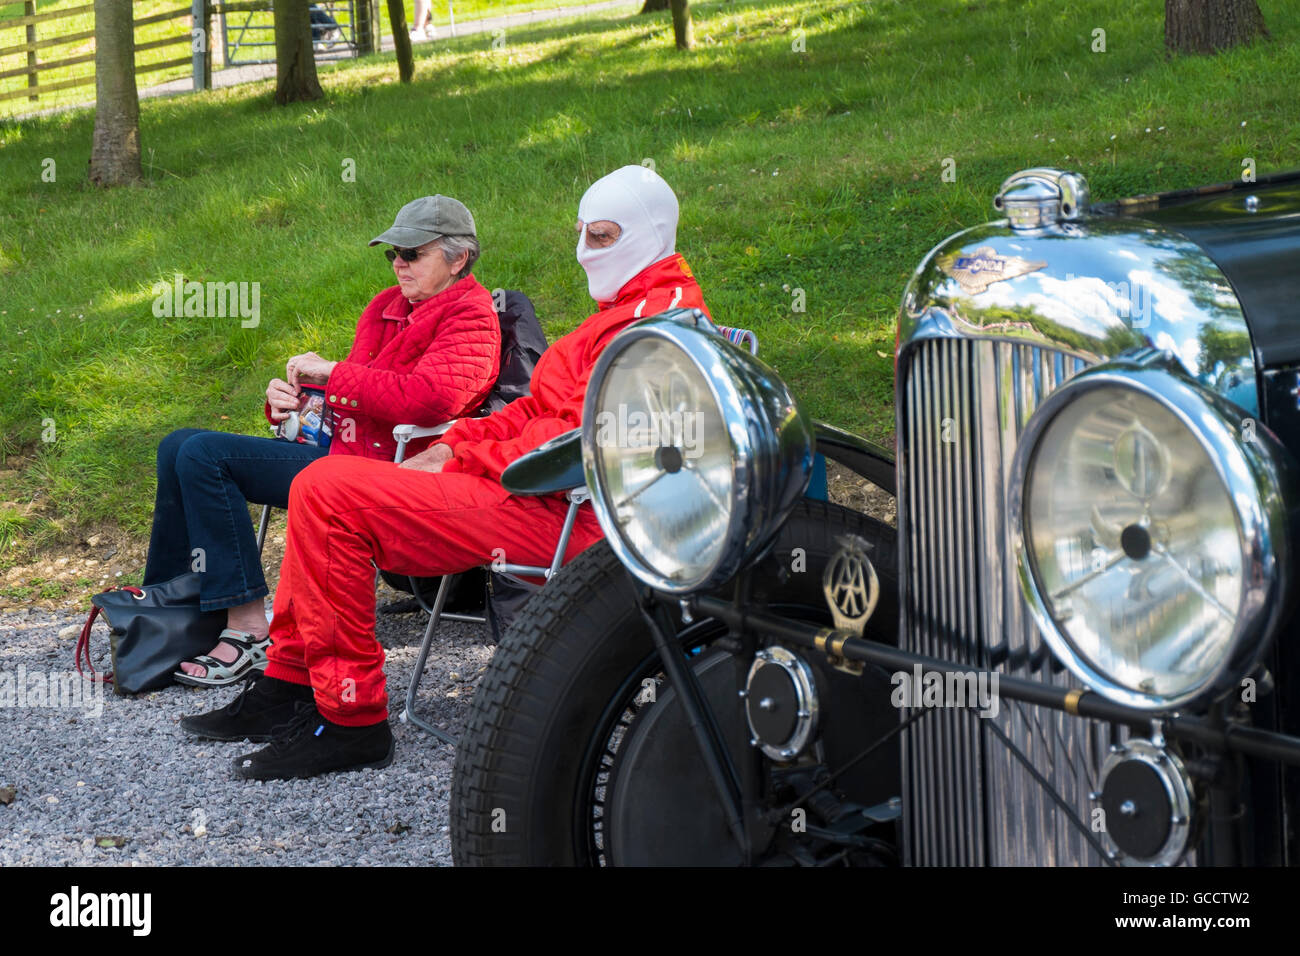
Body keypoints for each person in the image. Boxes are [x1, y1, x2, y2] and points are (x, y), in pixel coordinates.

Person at [181, 165, 711, 780]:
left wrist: (460, 449)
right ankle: (294, 685)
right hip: (532, 491)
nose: (582, 251)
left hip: (575, 515)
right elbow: (535, 413)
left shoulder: (654, 323)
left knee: (325, 489)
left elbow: (581, 440)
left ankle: (351, 719)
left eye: (601, 236)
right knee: (308, 484)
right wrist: (456, 442)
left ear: (647, 235)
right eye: (581, 233)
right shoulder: (620, 314)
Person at [145, 195, 501, 688]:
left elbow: (429, 401)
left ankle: (248, 630)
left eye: (413, 253)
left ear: (459, 258)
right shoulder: (385, 306)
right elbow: (358, 391)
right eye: (392, 252)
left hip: (392, 473)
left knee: (207, 457)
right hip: (338, 451)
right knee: (178, 444)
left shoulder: (473, 315)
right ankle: (174, 616)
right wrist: (293, 402)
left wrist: (333, 374)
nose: (399, 263)